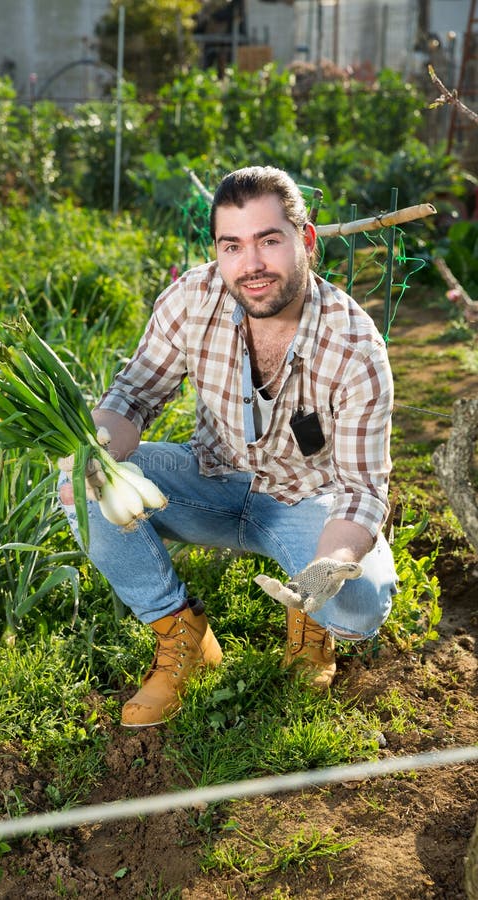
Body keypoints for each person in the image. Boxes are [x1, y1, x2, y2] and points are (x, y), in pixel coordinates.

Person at [59, 165, 398, 729]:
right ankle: (181, 634)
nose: (252, 265)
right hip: (211, 479)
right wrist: (97, 448)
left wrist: (332, 562)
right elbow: (133, 396)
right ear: (217, 250)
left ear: (305, 240)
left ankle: (312, 627)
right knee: (86, 487)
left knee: (360, 604)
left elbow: (363, 490)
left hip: (308, 504)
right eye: (233, 246)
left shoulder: (355, 346)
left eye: (270, 241)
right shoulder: (194, 298)